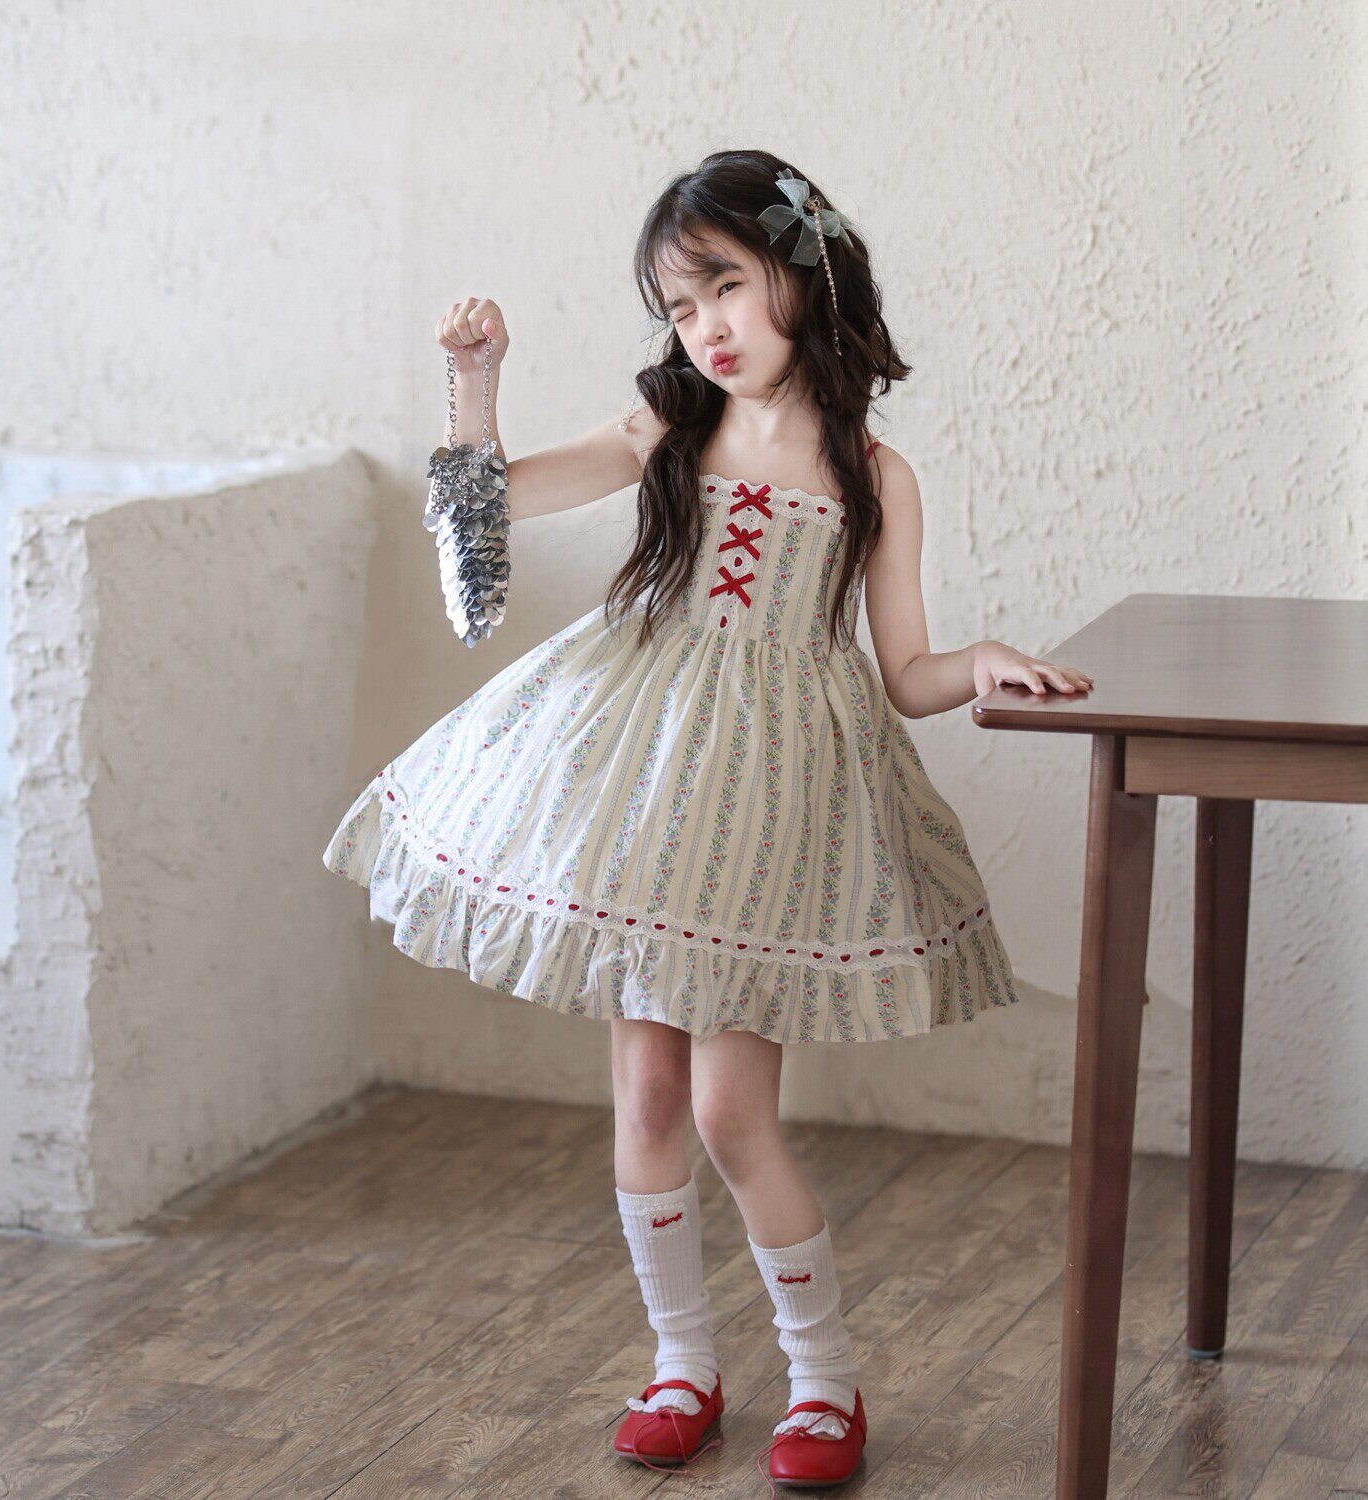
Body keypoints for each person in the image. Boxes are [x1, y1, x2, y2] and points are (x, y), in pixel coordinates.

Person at [321, 148, 1092, 1491]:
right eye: (680, 307)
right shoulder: (668, 427)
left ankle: (824, 1381)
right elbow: (489, 501)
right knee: (648, 1092)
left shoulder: (874, 474)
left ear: (805, 269)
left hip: (774, 806)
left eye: (727, 287)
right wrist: (478, 378)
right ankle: (682, 1364)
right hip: (647, 785)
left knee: (735, 1114)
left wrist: (982, 665)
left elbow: (907, 673)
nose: (708, 328)